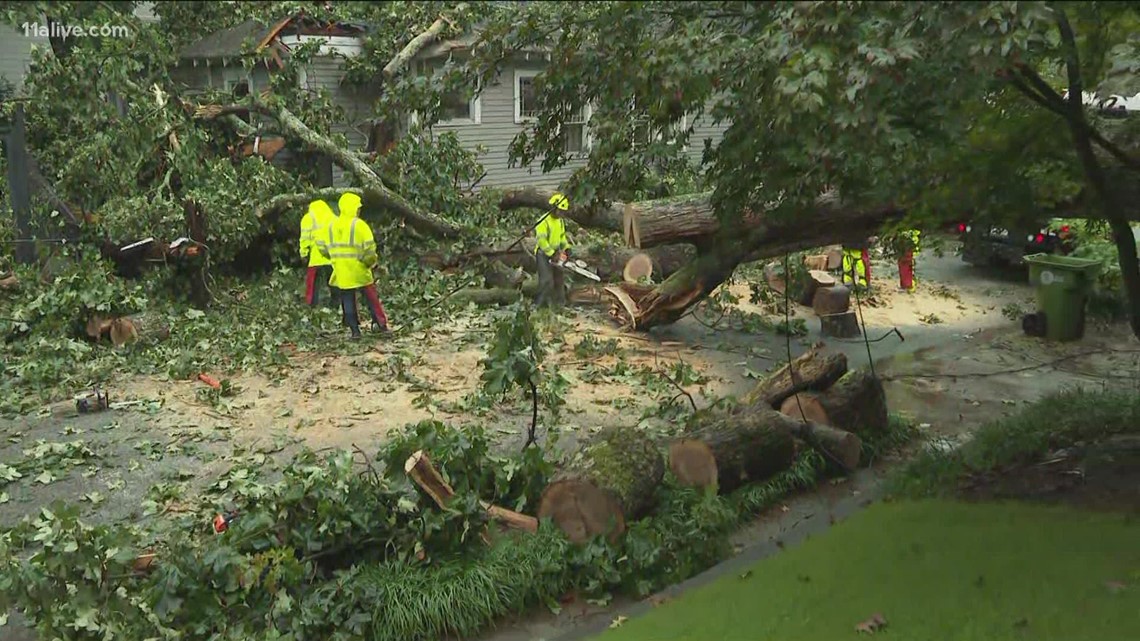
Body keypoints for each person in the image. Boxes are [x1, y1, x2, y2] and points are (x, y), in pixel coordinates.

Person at [316, 192, 391, 338]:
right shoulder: (360, 226)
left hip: (341, 270)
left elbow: (321, 245)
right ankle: (380, 325)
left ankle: (355, 331)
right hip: (360, 269)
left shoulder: (331, 225)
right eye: (357, 208)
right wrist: (369, 262)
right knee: (371, 298)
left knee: (347, 300)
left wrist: (333, 257)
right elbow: (369, 249)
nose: (359, 210)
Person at [534, 192, 571, 308]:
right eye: (560, 211)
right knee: (546, 281)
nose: (561, 214)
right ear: (554, 208)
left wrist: (567, 248)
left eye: (563, 212)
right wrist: (551, 253)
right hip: (543, 253)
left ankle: (560, 305)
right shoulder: (543, 221)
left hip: (555, 252)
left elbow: (562, 237)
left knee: (559, 279)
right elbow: (542, 241)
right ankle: (539, 306)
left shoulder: (560, 221)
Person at [299, 199, 338, 307]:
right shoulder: (333, 217)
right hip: (331, 256)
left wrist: (304, 252)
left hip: (316, 257)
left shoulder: (308, 218)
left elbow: (305, 237)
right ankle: (336, 304)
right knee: (334, 282)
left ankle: (311, 305)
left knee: (313, 284)